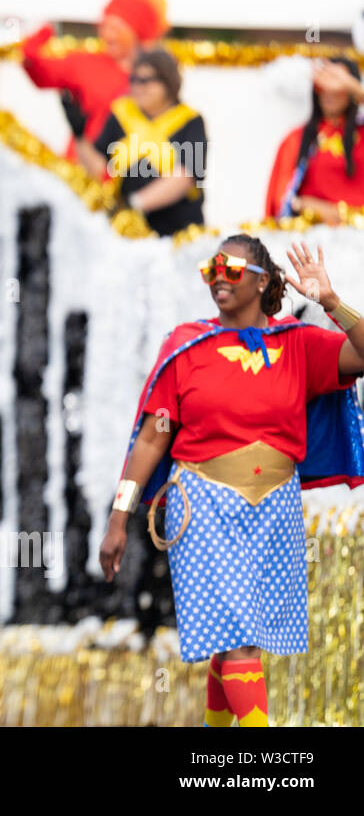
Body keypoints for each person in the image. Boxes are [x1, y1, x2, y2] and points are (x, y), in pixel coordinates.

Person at [100, 234, 364, 726]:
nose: (218, 276)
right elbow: (151, 440)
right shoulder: (185, 346)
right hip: (202, 505)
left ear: (263, 280)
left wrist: (329, 301)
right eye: (210, 268)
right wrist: (119, 517)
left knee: (238, 638)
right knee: (239, 635)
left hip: (275, 507)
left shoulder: (299, 344)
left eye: (231, 268)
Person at [21, 0, 169, 159]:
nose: (107, 35)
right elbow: (36, 66)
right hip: (82, 171)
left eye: (116, 28)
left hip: (129, 177)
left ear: (136, 31)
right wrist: (47, 29)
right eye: (104, 27)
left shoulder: (157, 76)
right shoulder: (85, 64)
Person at [76, 48, 206, 237]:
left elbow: (186, 176)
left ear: (169, 82)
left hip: (177, 232)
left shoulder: (190, 121)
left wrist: (133, 204)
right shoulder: (121, 114)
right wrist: (79, 136)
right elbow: (97, 168)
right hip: (127, 232)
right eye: (134, 80)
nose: (139, 87)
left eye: (147, 80)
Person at [265, 58, 364, 223]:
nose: (329, 92)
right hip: (312, 239)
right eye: (322, 86)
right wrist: (302, 204)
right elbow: (278, 201)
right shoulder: (296, 138)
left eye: (338, 88)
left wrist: (354, 88)